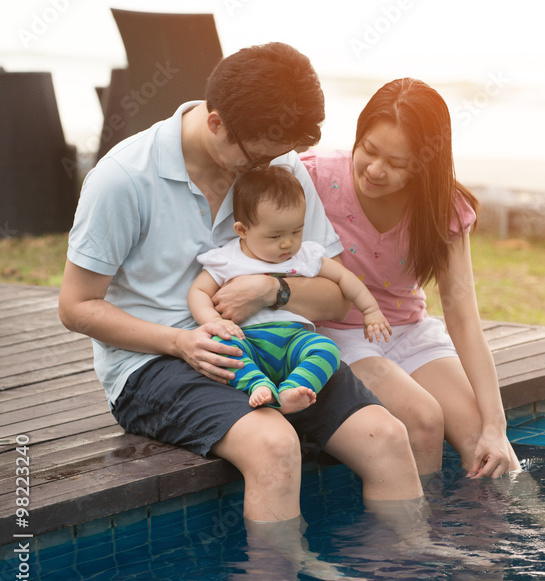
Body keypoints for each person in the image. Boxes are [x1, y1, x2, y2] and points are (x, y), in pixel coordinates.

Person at [58, 44, 423, 537]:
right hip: (153, 362)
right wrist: (181, 342)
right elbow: (76, 306)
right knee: (275, 445)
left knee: (388, 438)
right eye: (258, 155)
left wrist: (272, 290)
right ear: (216, 123)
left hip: (274, 343)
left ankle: (402, 579)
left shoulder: (279, 162)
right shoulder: (123, 179)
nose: (270, 166)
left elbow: (336, 295)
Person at [301, 77, 521, 481]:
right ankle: (427, 524)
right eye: (369, 149)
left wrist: (496, 425)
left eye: (397, 163)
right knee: (424, 421)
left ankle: (518, 521)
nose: (375, 169)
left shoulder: (442, 206)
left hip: (409, 331)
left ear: (423, 164)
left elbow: (463, 317)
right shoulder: (313, 178)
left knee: (488, 447)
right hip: (341, 333)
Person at [188, 166, 393, 412]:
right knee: (221, 348)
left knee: (327, 350)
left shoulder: (305, 255)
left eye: (296, 231)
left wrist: (370, 309)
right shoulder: (227, 258)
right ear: (243, 230)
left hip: (294, 341)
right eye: (275, 236)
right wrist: (213, 321)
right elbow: (199, 291)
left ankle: (291, 391)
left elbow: (343, 277)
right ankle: (258, 385)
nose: (288, 243)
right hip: (248, 341)